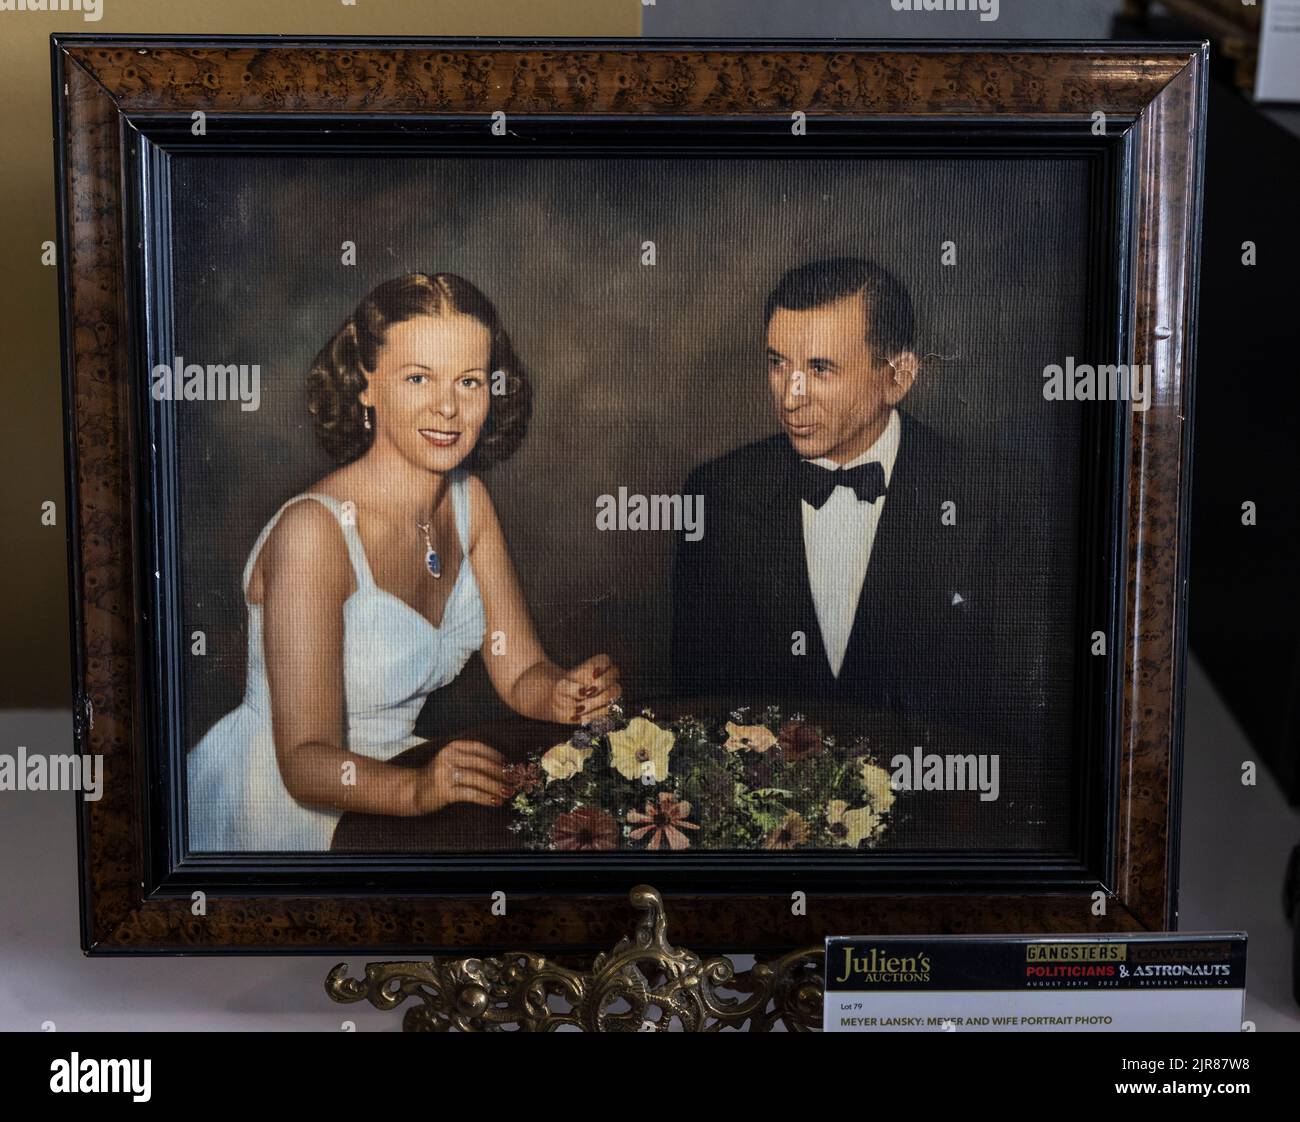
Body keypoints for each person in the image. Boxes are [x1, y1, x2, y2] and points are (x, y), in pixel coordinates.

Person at [188, 273, 621, 851]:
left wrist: (564, 693)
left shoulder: (469, 502)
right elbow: (305, 762)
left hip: (404, 779)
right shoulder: (313, 533)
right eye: (418, 378)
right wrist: (418, 789)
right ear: (365, 384)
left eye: (469, 382)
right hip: (280, 808)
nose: (447, 408)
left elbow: (518, 673)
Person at [671, 257, 1040, 732]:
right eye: (778, 364)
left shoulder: (994, 499)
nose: (790, 397)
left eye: (820, 368)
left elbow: (1022, 720)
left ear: (898, 377)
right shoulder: (716, 495)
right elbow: (698, 714)